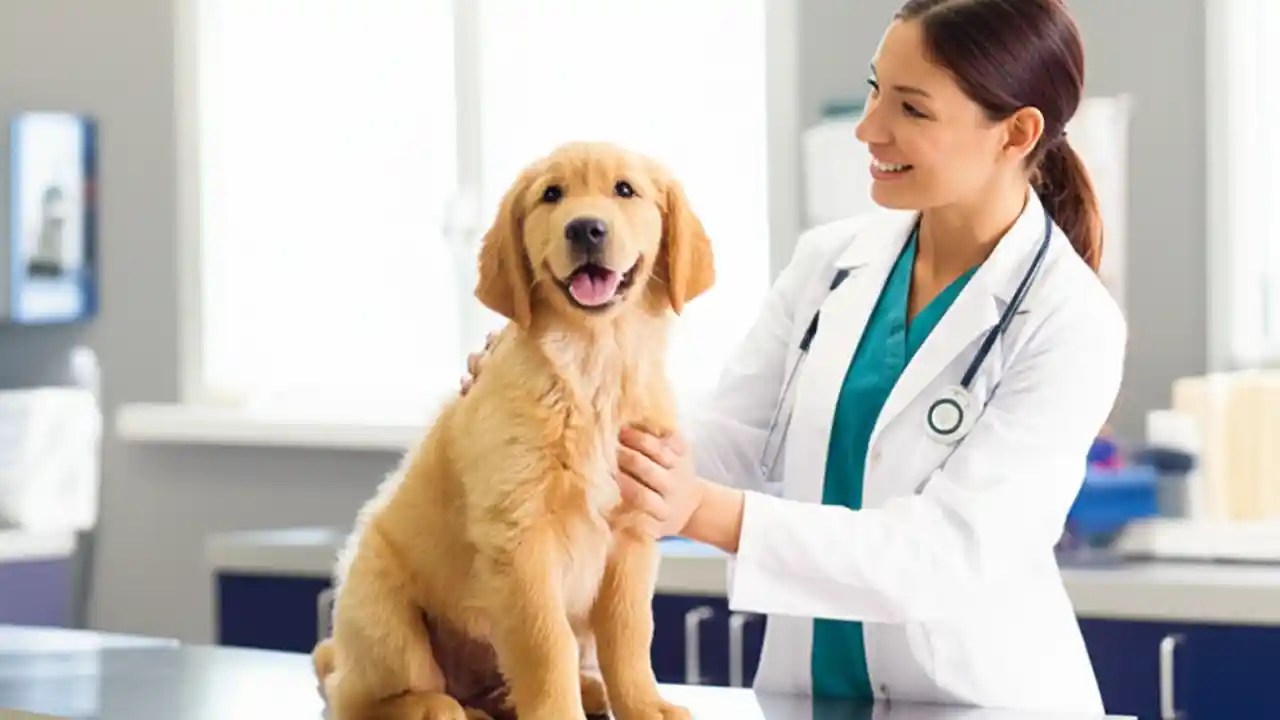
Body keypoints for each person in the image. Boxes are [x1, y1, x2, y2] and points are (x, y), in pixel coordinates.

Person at [463, 0, 1125, 713]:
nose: (869, 128)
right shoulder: (831, 263)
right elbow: (718, 444)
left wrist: (707, 512)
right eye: (875, 90)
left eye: (910, 108)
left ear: (1016, 132)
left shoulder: (1070, 322)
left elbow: (948, 556)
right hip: (808, 699)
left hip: (982, 702)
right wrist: (552, 398)